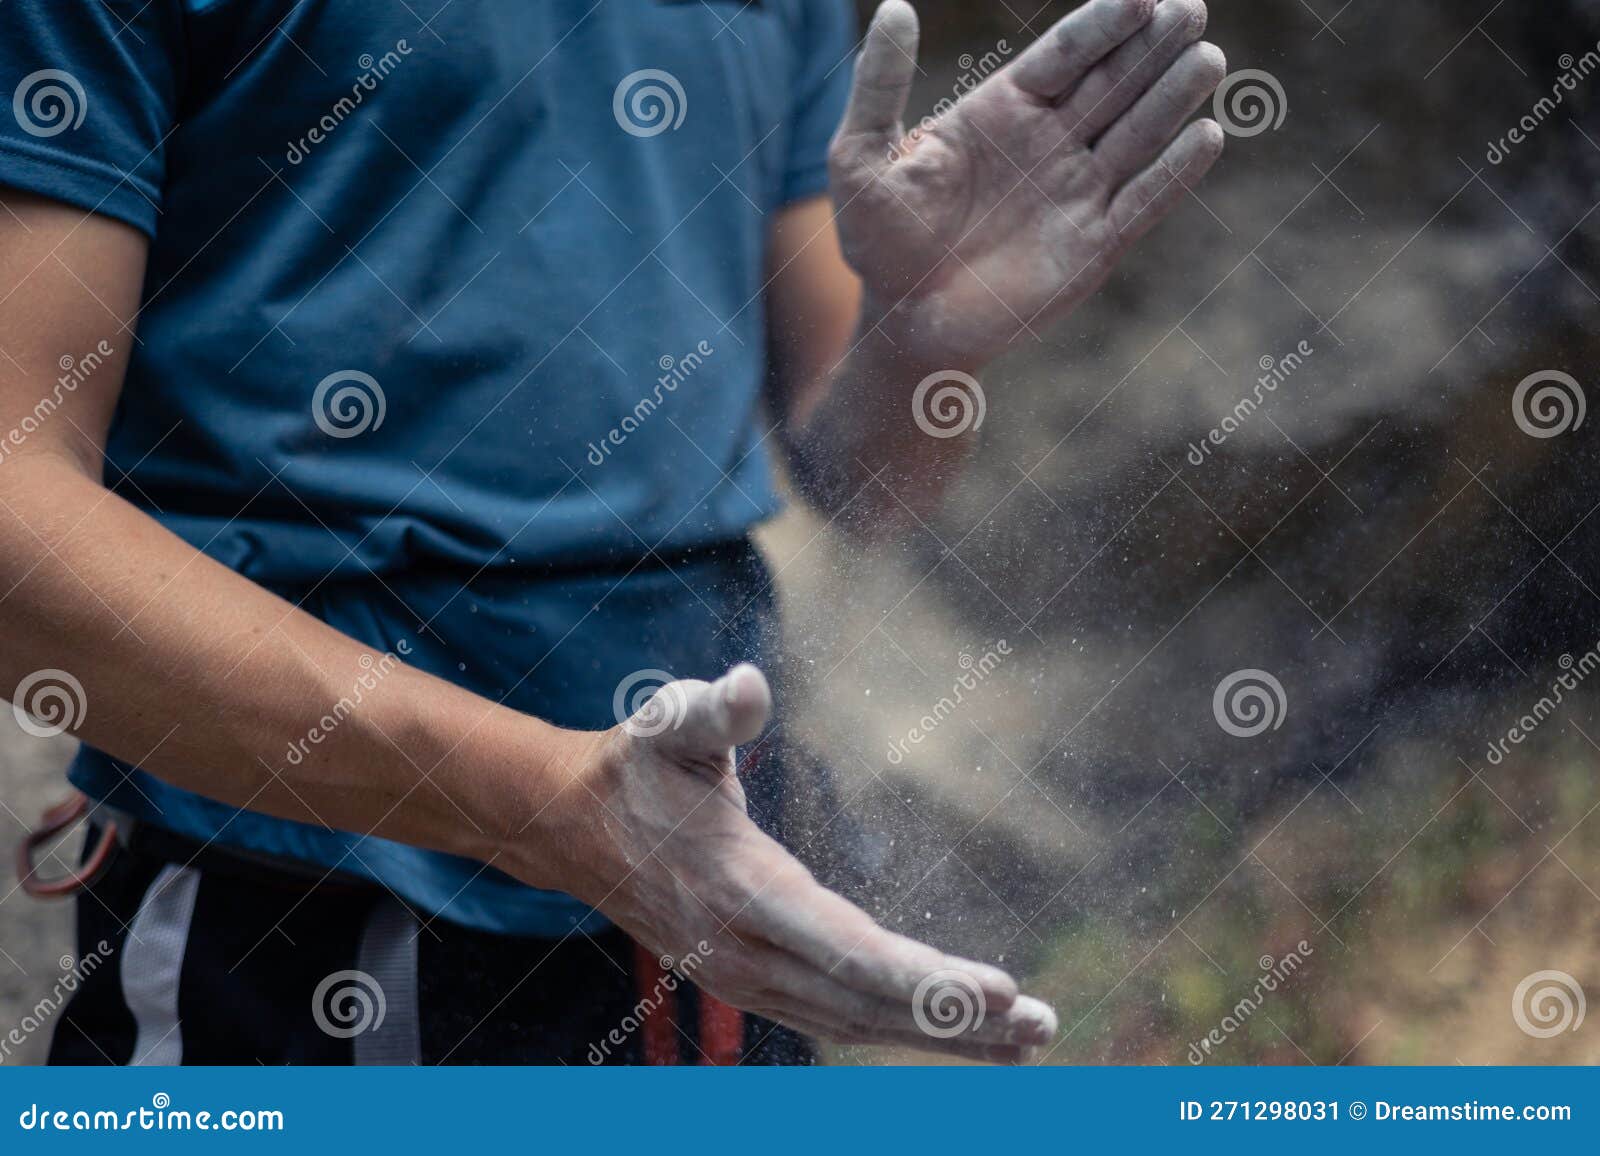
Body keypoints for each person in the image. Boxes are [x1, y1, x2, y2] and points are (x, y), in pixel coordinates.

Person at [0, 0, 1224, 1064]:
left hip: (709, 880)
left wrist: (922, 331)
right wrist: (555, 809)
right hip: (322, 901)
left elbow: (864, 483)